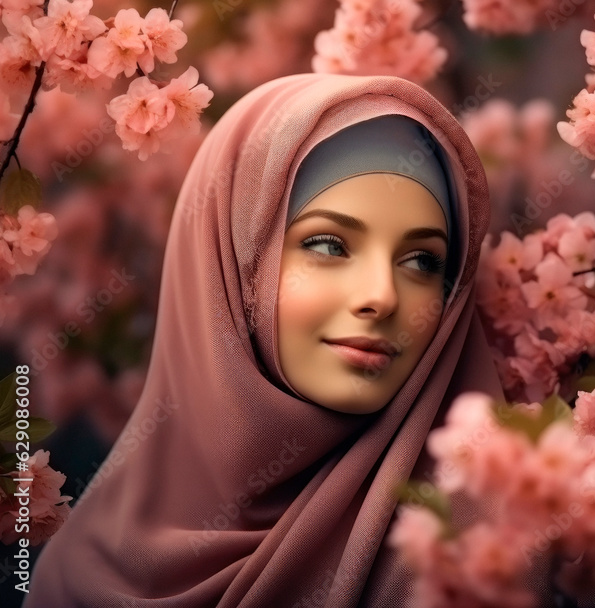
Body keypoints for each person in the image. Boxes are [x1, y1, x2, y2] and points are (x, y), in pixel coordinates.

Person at [25, 72, 513, 607]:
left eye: (423, 261)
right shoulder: (76, 575)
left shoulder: (474, 557)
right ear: (232, 264)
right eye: (328, 245)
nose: (382, 296)